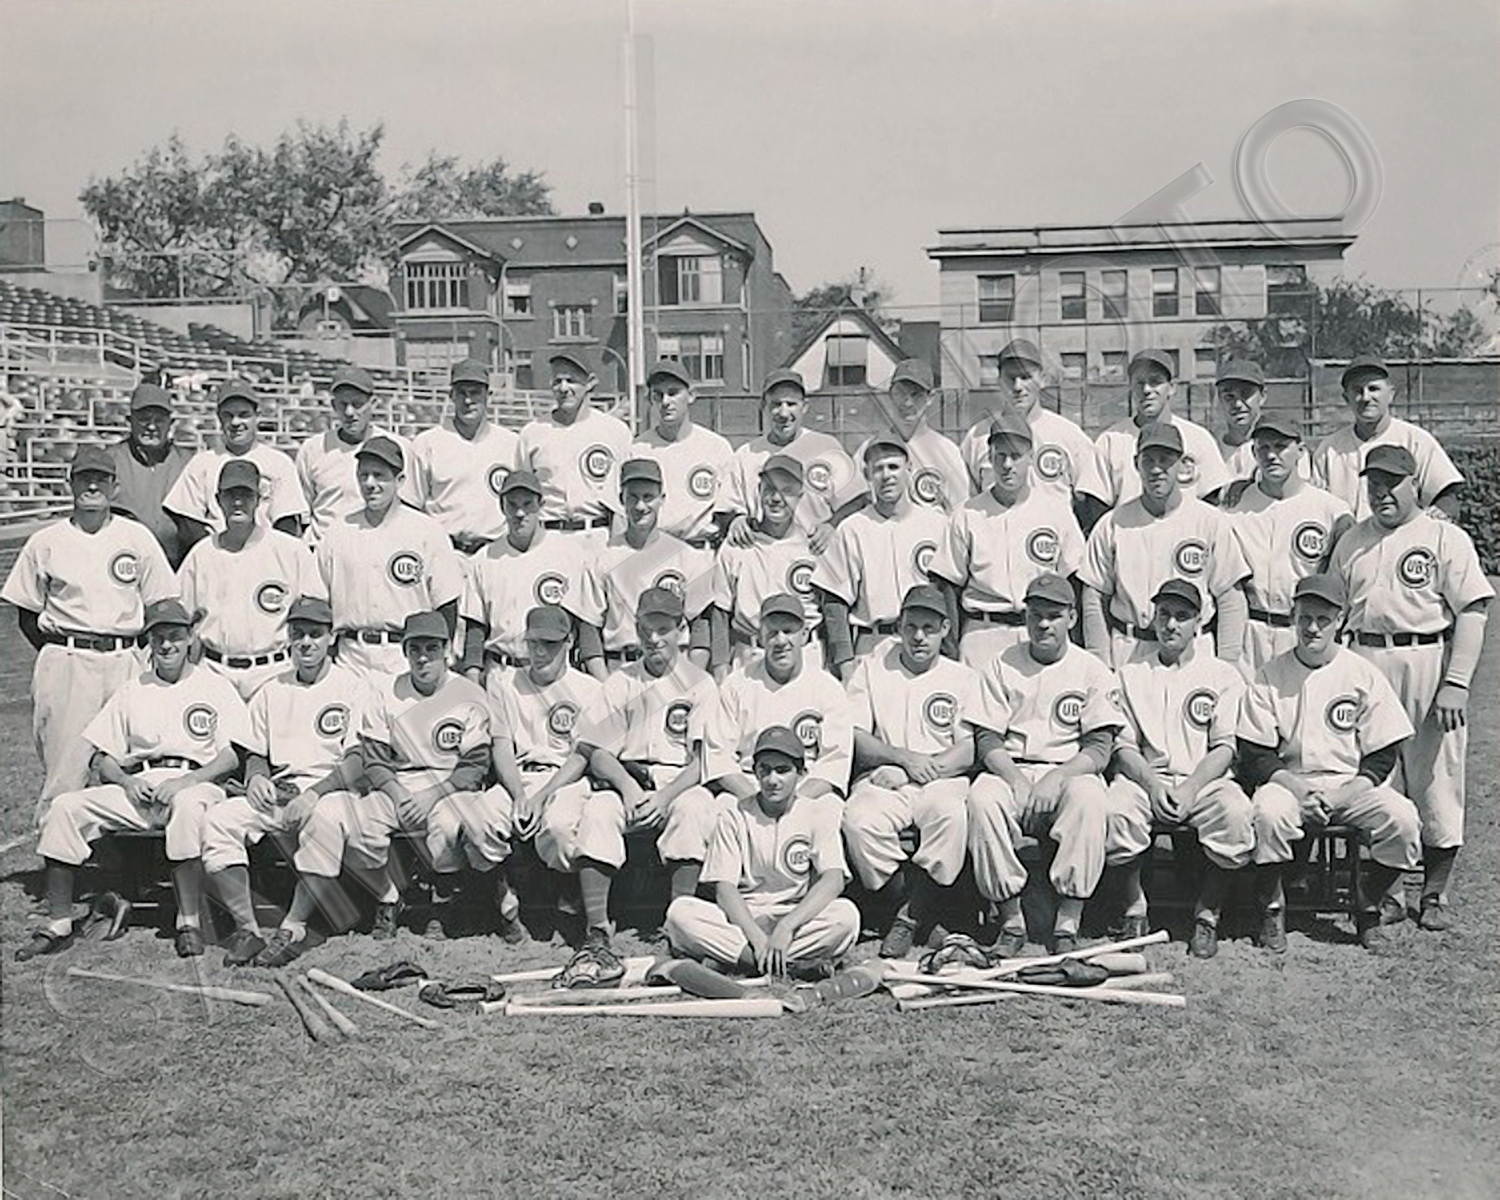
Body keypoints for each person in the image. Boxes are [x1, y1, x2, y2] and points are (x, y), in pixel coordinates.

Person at [15, 599, 250, 961]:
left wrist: (187, 782)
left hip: (195, 783)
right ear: (149, 642)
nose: (167, 645)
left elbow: (231, 756)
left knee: (188, 807)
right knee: (65, 807)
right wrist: (126, 782)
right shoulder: (133, 688)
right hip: (141, 786)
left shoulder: (214, 686)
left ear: (190, 638)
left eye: (175, 636)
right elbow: (102, 757)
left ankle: (188, 922)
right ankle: (59, 922)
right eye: (158, 638)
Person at [1328, 444, 1492, 931]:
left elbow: (1473, 611)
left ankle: (1435, 891)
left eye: (1392, 483)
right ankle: (1391, 890)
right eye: (1374, 483)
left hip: (1425, 658)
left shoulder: (1444, 537)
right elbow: (1336, 611)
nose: (1382, 492)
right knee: (1376, 776)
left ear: (1414, 483)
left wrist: (1456, 682)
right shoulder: (1352, 541)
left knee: (1435, 773)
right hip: (1365, 660)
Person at [1238, 573, 1421, 953]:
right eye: (1305, 618)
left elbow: (1383, 753)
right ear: (1293, 617)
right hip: (1289, 781)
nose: (1312, 628)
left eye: (1323, 619)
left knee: (1403, 819)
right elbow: (1255, 752)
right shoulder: (1271, 674)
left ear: (1340, 620)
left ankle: (1367, 900)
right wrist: (1299, 790)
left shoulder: (1361, 673)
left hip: (1348, 783)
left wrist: (1342, 795)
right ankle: (1272, 906)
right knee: (1267, 814)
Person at [550, 587, 724, 986]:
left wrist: (664, 797)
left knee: (695, 807)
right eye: (647, 629)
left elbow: (702, 762)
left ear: (681, 630)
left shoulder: (700, 684)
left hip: (676, 782)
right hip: (627, 778)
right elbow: (596, 751)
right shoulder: (621, 681)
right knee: (598, 809)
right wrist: (628, 788)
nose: (654, 638)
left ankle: (681, 924)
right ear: (636, 629)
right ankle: (597, 932)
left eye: (664, 629)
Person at [2, 445, 176, 804]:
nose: (92, 486)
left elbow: (161, 603)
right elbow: (27, 614)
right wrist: (64, 650)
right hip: (68, 660)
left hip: (125, 658)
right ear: (71, 484)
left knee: (131, 762)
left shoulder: (136, 537)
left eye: (101, 479)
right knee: (66, 770)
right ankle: (57, 839)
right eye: (84, 478)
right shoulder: (47, 542)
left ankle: (121, 840)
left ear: (114, 486)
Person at [199, 597, 365, 967]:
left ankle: (294, 926)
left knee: (326, 820)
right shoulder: (272, 689)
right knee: (219, 820)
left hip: (332, 789)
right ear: (288, 638)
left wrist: (315, 794)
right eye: (298, 634)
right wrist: (256, 775)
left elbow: (358, 762)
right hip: (283, 789)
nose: (306, 642)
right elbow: (254, 749)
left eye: (315, 634)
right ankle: (247, 929)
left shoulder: (353, 687)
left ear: (331, 638)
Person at [968, 574, 1124, 956]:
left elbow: (1100, 748)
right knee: (982, 798)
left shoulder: (1091, 669)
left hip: (1068, 768)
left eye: (1053, 615)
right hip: (1012, 766)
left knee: (1090, 799)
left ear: (1072, 617)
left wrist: (1058, 776)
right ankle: (1010, 919)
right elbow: (987, 739)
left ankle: (1068, 921)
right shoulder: (1002, 664)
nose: (1043, 624)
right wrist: (1016, 780)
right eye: (1035, 614)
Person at [344, 610, 521, 940]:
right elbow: (375, 760)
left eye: (431, 649)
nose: (423, 658)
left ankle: (443, 907)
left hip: (450, 784)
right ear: (404, 652)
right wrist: (398, 795)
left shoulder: (468, 693)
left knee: (447, 825)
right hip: (400, 782)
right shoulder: (386, 691)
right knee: (359, 824)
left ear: (446, 651)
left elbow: (475, 765)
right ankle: (388, 897)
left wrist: (431, 796)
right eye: (415, 649)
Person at [1105, 579, 1254, 958]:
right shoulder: (1131, 673)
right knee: (1116, 809)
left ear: (1198, 623)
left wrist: (1190, 789)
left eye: (1182, 616)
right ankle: (1134, 907)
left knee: (1236, 813)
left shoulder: (1222, 675)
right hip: (1146, 778)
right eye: (1164, 614)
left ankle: (1208, 912)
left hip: (1203, 779)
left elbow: (1225, 747)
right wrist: (1153, 785)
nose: (1171, 625)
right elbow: (1124, 747)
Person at [843, 585, 987, 958]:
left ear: (944, 630)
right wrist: (902, 760)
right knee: (859, 822)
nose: (919, 637)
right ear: (899, 628)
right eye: (911, 627)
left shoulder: (963, 677)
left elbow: (970, 749)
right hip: (884, 778)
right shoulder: (872, 669)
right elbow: (856, 737)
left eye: (928, 628)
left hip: (941, 779)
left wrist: (914, 770)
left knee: (950, 815)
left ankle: (908, 919)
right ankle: (917, 914)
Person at [664, 725, 860, 979]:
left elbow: (833, 880)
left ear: (801, 773)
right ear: (755, 772)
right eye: (764, 770)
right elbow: (724, 889)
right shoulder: (734, 814)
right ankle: (788, 964)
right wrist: (756, 938)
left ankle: (736, 959)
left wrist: (787, 927)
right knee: (681, 913)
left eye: (782, 770)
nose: (772, 780)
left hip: (793, 913)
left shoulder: (816, 813)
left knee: (846, 917)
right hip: (742, 919)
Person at [1080, 421, 1250, 669]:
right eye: (1148, 461)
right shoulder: (1113, 523)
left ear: (1182, 465)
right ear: (1136, 464)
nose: (1157, 469)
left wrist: (1227, 664)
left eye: (1165, 460)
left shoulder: (1209, 521)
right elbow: (1095, 596)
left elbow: (1230, 597)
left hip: (1194, 650)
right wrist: (1100, 662)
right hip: (1131, 649)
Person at [931, 400, 1085, 668]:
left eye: (1016, 456)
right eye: (1000, 455)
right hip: (983, 631)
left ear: (1031, 458)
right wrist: (950, 649)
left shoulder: (1055, 511)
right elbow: (946, 585)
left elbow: (1074, 580)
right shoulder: (967, 513)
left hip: (1037, 632)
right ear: (989, 458)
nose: (1007, 464)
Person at [490, 605, 609, 939]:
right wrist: (518, 793)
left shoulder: (589, 688)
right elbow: (501, 745)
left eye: (550, 644)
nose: (540, 652)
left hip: (565, 778)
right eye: (533, 643)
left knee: (560, 827)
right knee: (479, 820)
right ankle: (502, 894)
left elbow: (581, 755)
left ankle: (565, 895)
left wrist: (542, 796)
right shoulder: (504, 683)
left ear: (569, 642)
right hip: (517, 776)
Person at [315, 436, 464, 680]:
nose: (370, 484)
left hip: (405, 657)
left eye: (379, 476)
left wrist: (439, 660)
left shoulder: (427, 531)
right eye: (363, 475)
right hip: (350, 658)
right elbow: (320, 603)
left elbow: (446, 604)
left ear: (400, 480)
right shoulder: (337, 533)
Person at [177, 460, 323, 701]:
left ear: (259, 499)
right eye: (230, 495)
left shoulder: (290, 551)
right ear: (218, 500)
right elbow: (180, 615)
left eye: (245, 495)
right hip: (216, 671)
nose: (238, 502)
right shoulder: (201, 554)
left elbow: (317, 612)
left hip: (274, 671)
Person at [811, 433, 948, 677]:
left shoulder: (936, 524)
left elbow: (949, 592)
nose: (886, 476)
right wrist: (845, 661)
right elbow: (834, 602)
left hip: (926, 644)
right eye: (878, 469)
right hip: (873, 644)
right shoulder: (852, 528)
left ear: (909, 469)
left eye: (894, 467)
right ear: (867, 475)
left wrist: (950, 651)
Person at [1224, 413, 1352, 672]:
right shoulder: (1234, 508)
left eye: (1281, 447)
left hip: (1303, 631)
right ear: (1253, 452)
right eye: (1264, 448)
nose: (1272, 455)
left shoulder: (1332, 511)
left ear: (1300, 452)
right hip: (1250, 631)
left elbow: (1343, 583)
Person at [569, 458, 713, 679]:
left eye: (648, 497)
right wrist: (606, 684)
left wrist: (692, 679)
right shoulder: (602, 559)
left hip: (673, 669)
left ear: (662, 498)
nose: (640, 506)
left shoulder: (686, 556)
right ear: (621, 500)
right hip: (622, 668)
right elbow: (589, 629)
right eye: (633, 497)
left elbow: (700, 628)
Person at [704, 594, 853, 803]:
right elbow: (719, 757)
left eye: (788, 631)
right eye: (772, 633)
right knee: (721, 806)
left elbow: (834, 763)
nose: (781, 641)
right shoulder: (735, 685)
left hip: (806, 792)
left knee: (831, 806)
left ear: (804, 635)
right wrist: (758, 802)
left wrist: (793, 803)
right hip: (748, 789)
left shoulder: (828, 688)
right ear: (760, 637)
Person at [960, 339, 1109, 531]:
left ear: (1042, 379)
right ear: (999, 380)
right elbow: (964, 502)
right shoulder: (977, 437)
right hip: (996, 538)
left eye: (1026, 377)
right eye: (1011, 378)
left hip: (1049, 540)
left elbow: (1092, 503)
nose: (1018, 386)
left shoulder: (1068, 435)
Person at [460, 470, 594, 676]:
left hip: (554, 673)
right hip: (502, 670)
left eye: (527, 504)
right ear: (502, 507)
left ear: (541, 505)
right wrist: (473, 681)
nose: (520, 513)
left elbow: (585, 625)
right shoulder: (484, 559)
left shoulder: (568, 554)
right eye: (512, 505)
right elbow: (475, 631)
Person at [706, 455, 820, 677]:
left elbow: (831, 612)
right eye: (770, 489)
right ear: (759, 491)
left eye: (787, 491)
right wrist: (720, 666)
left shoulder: (814, 547)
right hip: (751, 653)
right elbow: (720, 613)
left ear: (800, 496)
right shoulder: (737, 546)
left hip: (805, 655)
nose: (776, 498)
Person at [1311, 356, 1463, 521]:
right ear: (1346, 398)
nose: (1366, 397)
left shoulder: (1415, 440)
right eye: (1357, 390)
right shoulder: (1329, 449)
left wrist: (1442, 510)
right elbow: (1312, 502)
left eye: (1373, 389)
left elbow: (1447, 493)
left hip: (1401, 534)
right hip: (1347, 535)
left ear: (1391, 394)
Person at [163, 379, 308, 552]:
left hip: (266, 553)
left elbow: (287, 522)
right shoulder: (202, 463)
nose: (235, 422)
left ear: (257, 415)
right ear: (219, 417)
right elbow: (188, 522)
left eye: (243, 414)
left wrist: (270, 554)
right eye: (228, 415)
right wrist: (214, 552)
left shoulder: (279, 463)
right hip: (218, 551)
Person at [722, 369, 859, 549]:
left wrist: (831, 525)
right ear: (764, 406)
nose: (783, 413)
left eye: (791, 404)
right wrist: (736, 520)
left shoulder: (826, 447)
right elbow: (727, 506)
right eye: (776, 404)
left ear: (805, 406)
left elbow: (856, 500)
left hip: (814, 550)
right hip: (764, 551)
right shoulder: (746, 454)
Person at [515, 350, 632, 536]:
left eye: (571, 380)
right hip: (550, 533)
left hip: (597, 532)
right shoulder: (533, 433)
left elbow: (625, 492)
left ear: (590, 382)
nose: (563, 388)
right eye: (557, 381)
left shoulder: (614, 432)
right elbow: (522, 492)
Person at [1094, 349, 1229, 508]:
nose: (1146, 390)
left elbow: (1212, 498)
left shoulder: (1198, 438)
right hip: (1129, 522)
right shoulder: (1110, 440)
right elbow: (1097, 504)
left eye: (1155, 381)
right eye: (1139, 383)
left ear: (1171, 387)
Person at [411, 358, 519, 554]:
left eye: (475, 393)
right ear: (451, 395)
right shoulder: (427, 443)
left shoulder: (511, 444)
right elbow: (412, 506)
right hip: (444, 549)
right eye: (462, 393)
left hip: (496, 551)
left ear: (488, 395)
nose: (468, 401)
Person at [295, 365, 415, 540]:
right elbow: (303, 511)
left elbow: (409, 505)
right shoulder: (313, 448)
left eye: (357, 404)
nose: (349, 412)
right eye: (343, 404)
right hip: (324, 545)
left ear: (373, 404)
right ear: (333, 405)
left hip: (378, 544)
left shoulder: (398, 447)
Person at [627, 359, 735, 547]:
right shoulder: (638, 449)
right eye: (658, 395)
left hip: (701, 548)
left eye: (673, 393)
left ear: (691, 395)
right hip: (654, 550)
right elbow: (623, 512)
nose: (665, 402)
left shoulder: (716, 447)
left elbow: (730, 508)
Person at [853, 359, 969, 512]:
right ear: (890, 394)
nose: (907, 402)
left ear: (930, 398)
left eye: (916, 395)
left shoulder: (947, 451)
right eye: (900, 393)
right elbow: (853, 505)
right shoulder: (870, 449)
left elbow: (959, 512)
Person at [104, 383, 193, 568]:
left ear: (171, 423)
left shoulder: (188, 463)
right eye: (144, 419)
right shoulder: (110, 461)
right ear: (130, 421)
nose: (151, 426)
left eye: (159, 420)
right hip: (124, 563)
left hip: (177, 564)